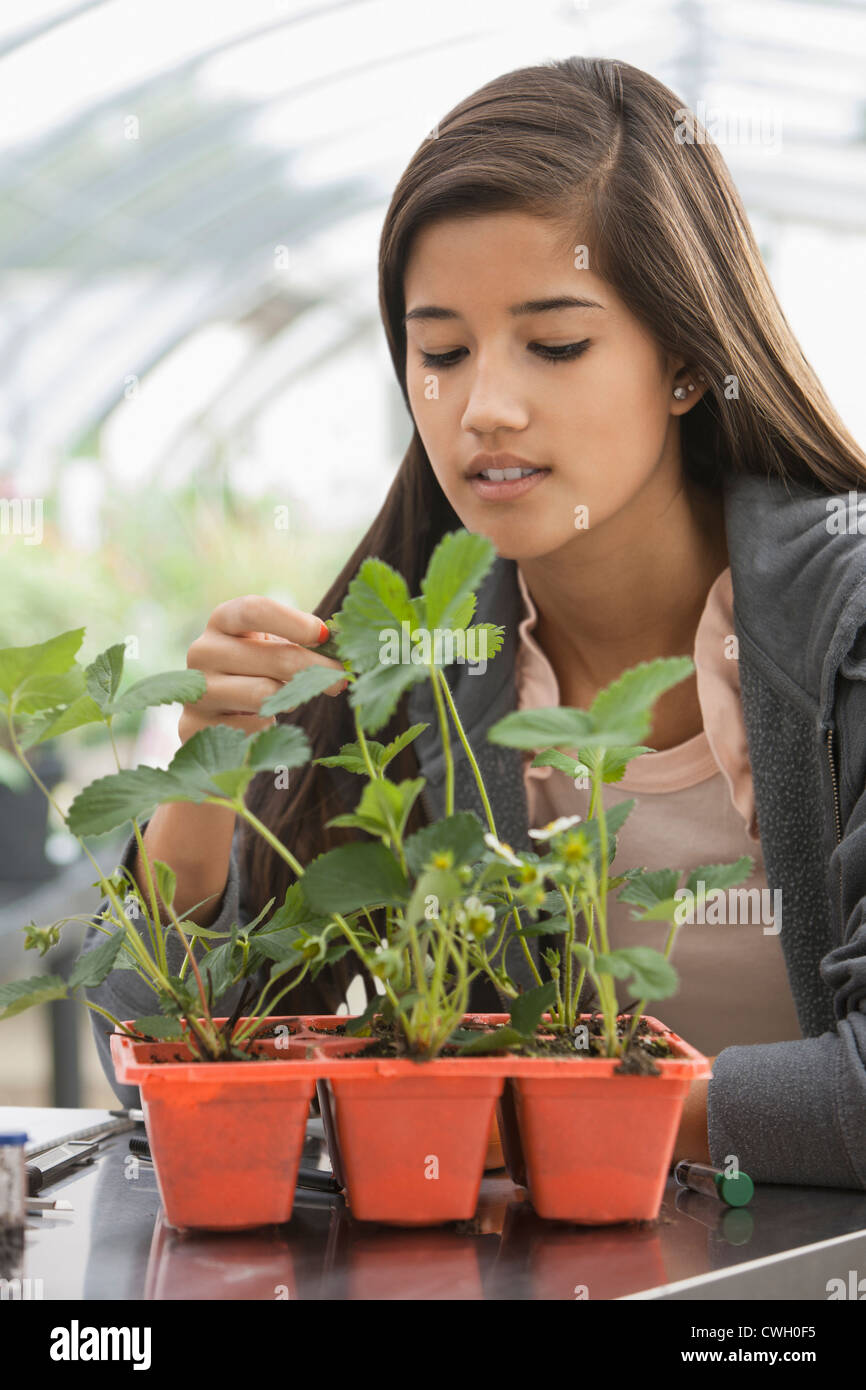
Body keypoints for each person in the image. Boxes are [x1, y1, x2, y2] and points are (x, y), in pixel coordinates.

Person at [80, 56, 866, 1189]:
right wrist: (201, 798)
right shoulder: (412, 653)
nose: (483, 405)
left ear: (688, 360)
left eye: (554, 342)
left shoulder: (842, 623)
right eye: (439, 352)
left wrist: (541, 1112)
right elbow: (169, 1073)